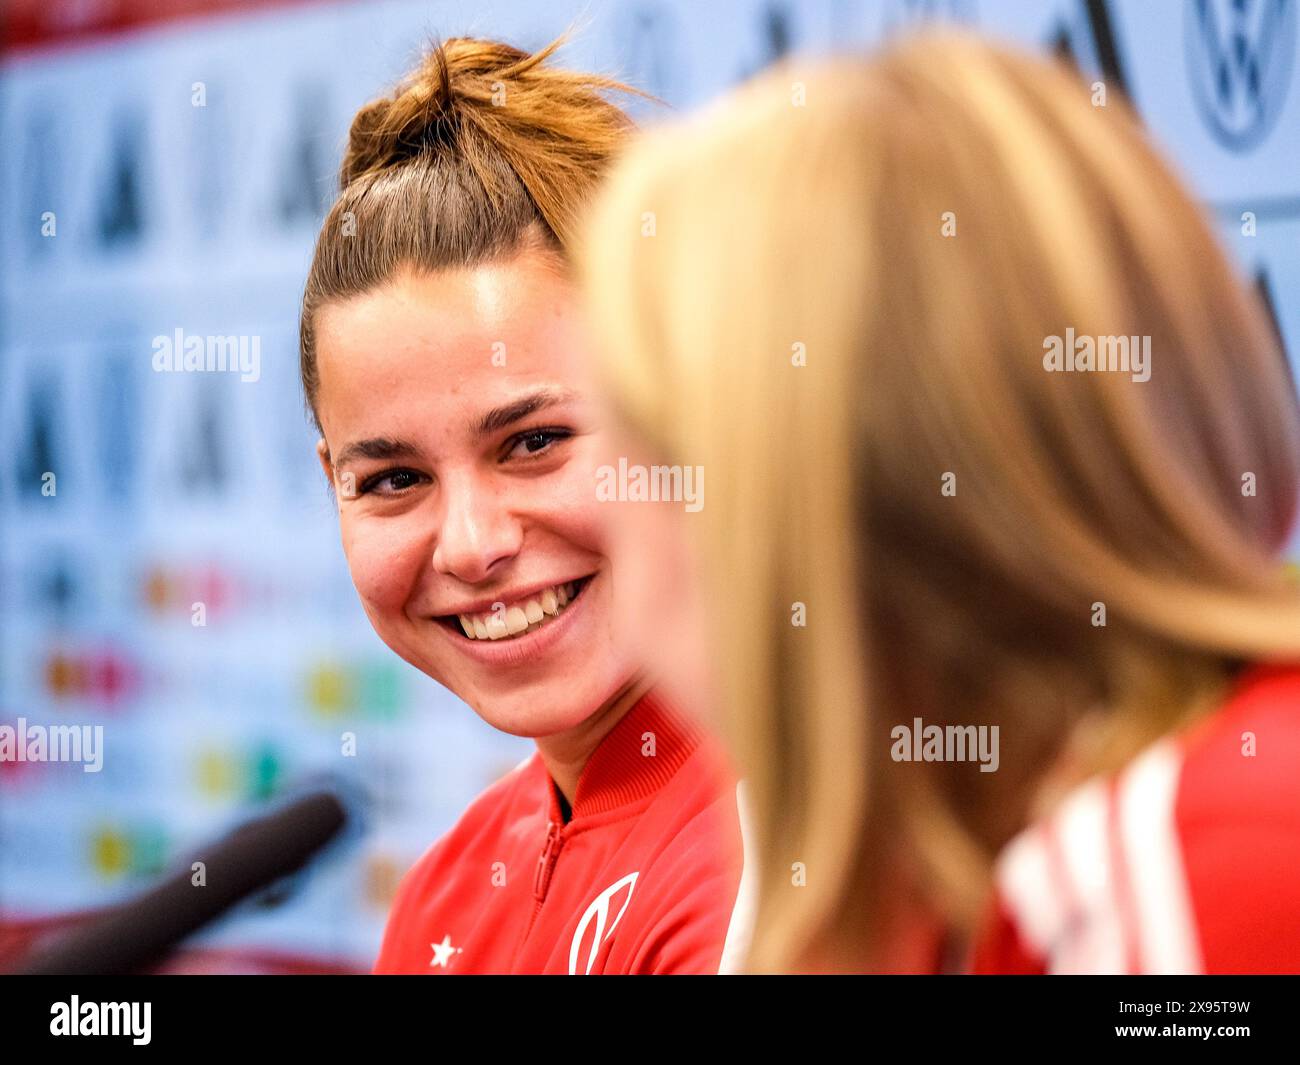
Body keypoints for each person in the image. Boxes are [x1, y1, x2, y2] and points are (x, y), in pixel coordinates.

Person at [578, 32, 1300, 973]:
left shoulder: (1189, 875)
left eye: (622, 440)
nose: (601, 503)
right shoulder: (1029, 866)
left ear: (792, 498)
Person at [299, 35, 743, 974]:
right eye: (393, 479)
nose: (472, 544)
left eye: (534, 443)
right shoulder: (444, 891)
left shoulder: (789, 860)